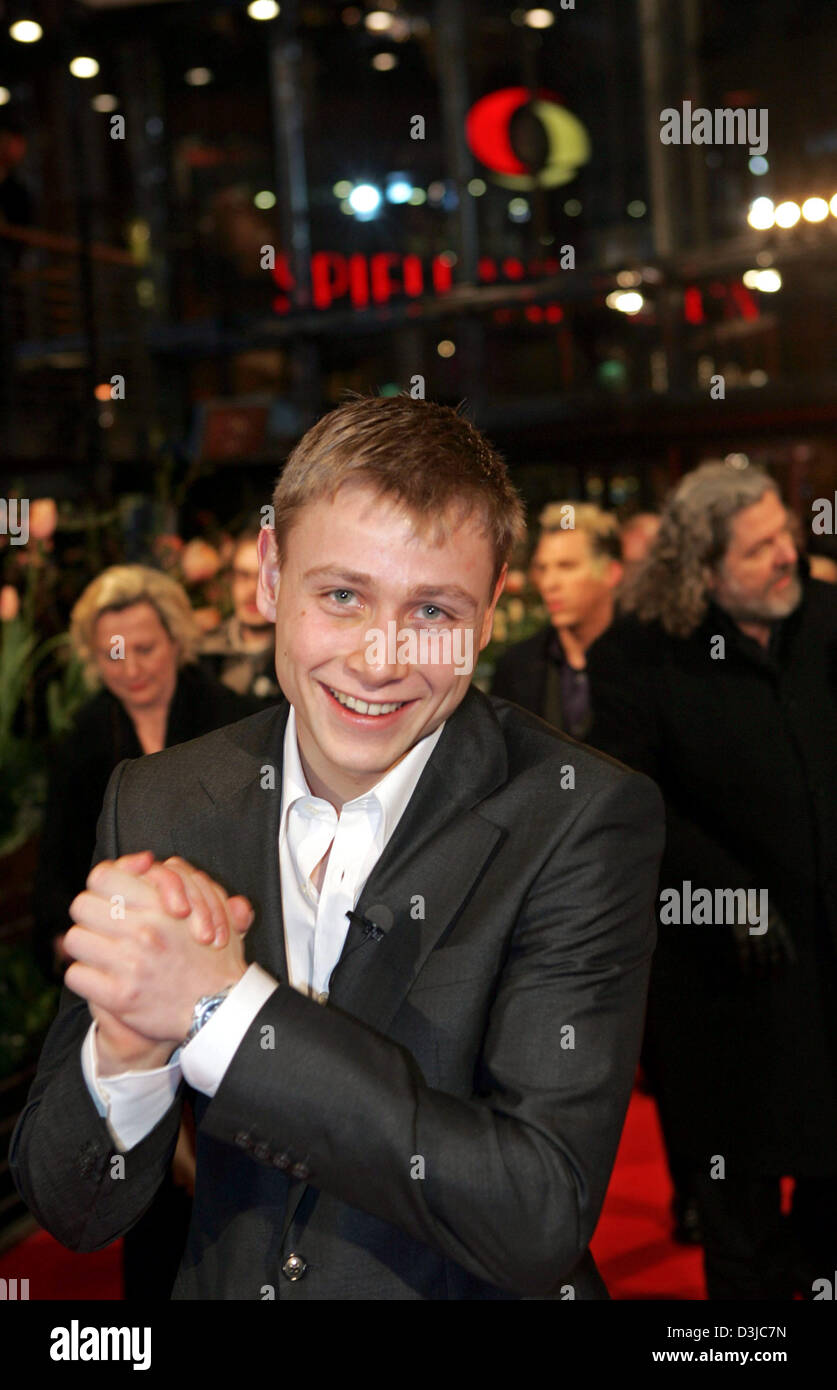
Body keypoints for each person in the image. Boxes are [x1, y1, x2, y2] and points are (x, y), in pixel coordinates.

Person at [12, 395, 664, 1301]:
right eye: (344, 595)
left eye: (432, 609)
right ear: (271, 576)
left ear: (490, 611)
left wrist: (222, 1013)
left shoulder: (579, 817)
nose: (378, 659)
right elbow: (75, 1212)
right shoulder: (157, 798)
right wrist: (126, 1051)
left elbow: (537, 1214)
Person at [585, 461, 837, 1300]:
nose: (787, 556)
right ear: (702, 567)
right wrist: (727, 892)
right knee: (743, 1236)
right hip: (729, 994)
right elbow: (631, 800)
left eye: (786, 534)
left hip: (830, 976)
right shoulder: (637, 656)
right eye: (759, 546)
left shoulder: (826, 619)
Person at [31, 564, 261, 1299]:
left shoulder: (230, 716)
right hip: (126, 993)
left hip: (231, 976)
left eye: (145, 646)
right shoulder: (80, 743)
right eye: (111, 652)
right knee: (150, 1214)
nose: (130, 666)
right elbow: (58, 883)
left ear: (177, 640)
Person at [491, 502, 622, 736]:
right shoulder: (515, 667)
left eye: (566, 566)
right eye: (543, 568)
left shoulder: (651, 663)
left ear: (611, 573)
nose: (549, 583)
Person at [200, 530, 281, 701]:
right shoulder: (203, 653)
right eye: (243, 575)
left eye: (264, 577)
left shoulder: (296, 662)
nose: (253, 589)